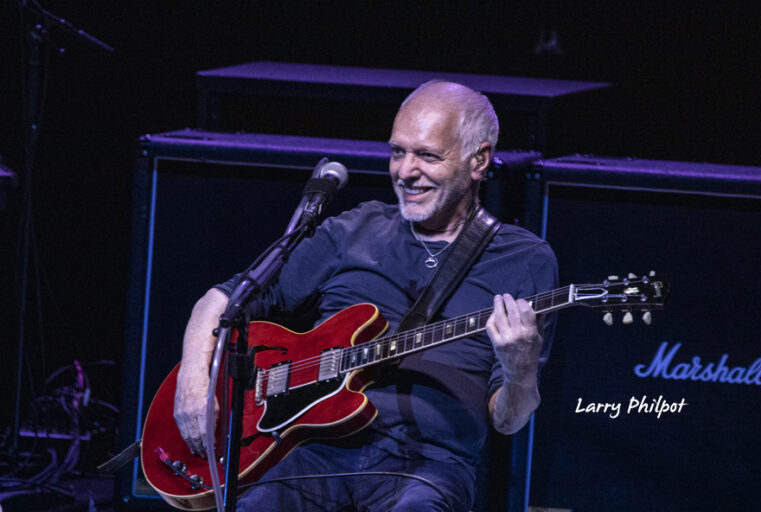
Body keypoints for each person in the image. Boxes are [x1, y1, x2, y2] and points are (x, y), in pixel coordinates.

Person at [173, 80, 558, 511]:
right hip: (315, 452)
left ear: (478, 161)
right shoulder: (354, 230)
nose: (405, 171)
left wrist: (519, 367)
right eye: (398, 152)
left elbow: (508, 420)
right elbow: (221, 302)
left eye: (427, 155)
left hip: (430, 469)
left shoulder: (524, 259)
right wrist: (193, 383)